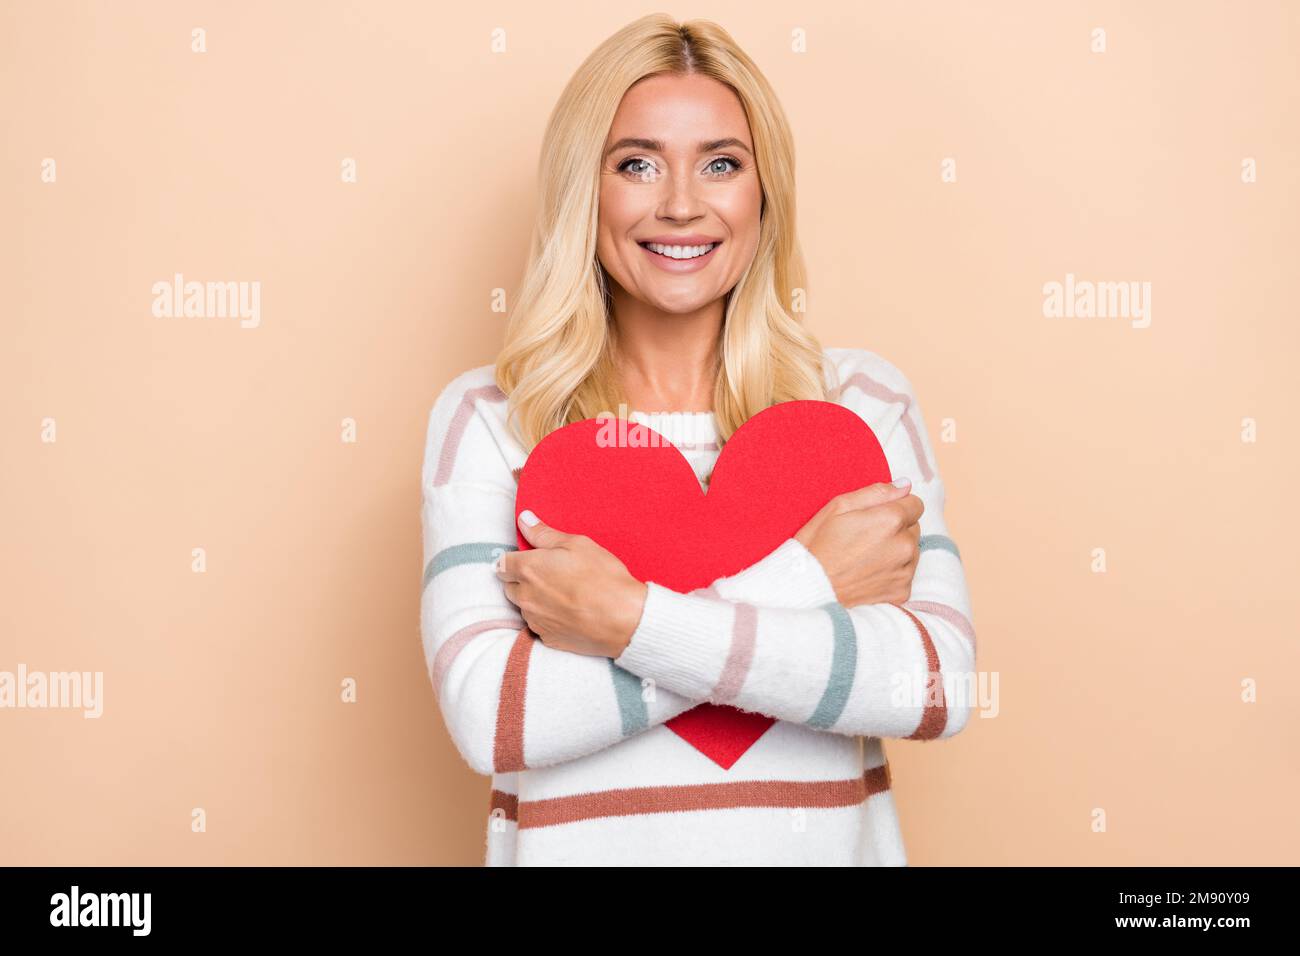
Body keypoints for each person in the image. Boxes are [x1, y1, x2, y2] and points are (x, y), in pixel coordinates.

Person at [420, 13, 976, 866]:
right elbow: (497, 716)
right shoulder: (494, 420)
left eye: (721, 163)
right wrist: (811, 582)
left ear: (764, 193)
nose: (680, 204)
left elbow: (933, 685)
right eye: (636, 164)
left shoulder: (862, 404)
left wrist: (624, 620)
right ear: (585, 191)